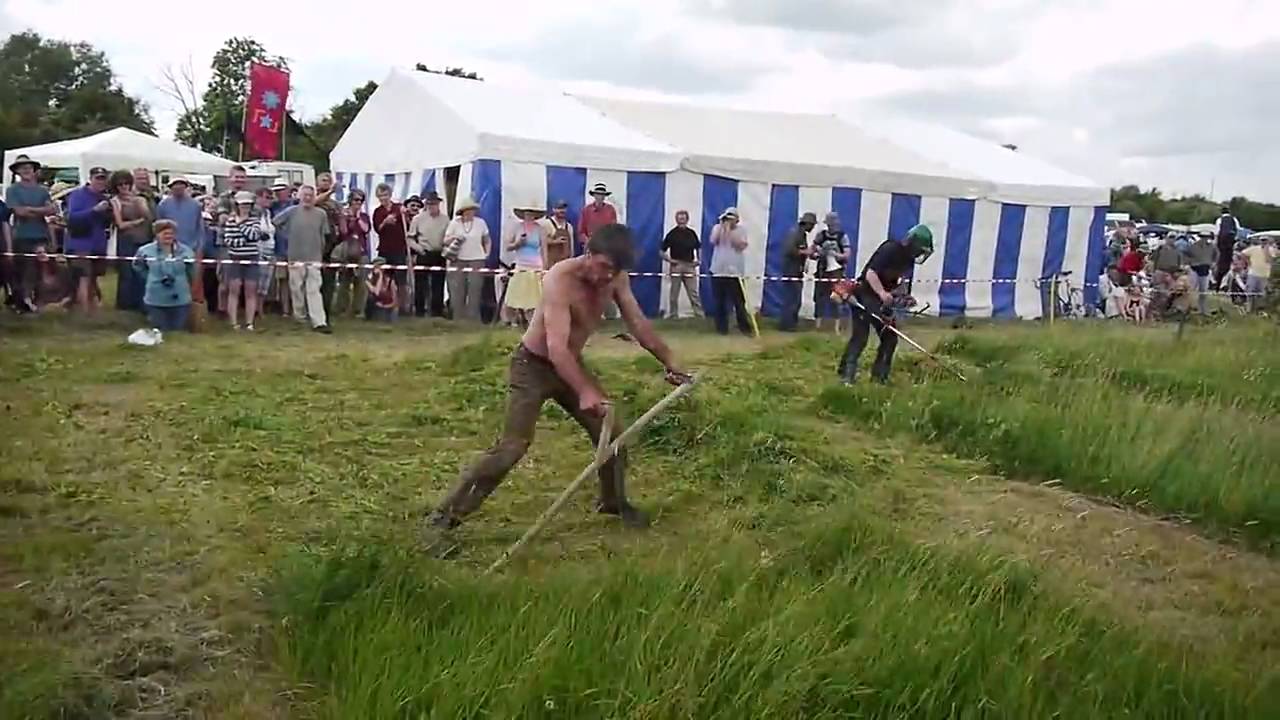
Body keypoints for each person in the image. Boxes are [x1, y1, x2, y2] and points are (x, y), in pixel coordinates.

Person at [422, 223, 692, 555]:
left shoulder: (615, 278)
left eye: (615, 270)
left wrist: (670, 361)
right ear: (589, 253)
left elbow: (638, 324)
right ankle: (444, 518)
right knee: (512, 447)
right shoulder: (559, 279)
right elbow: (556, 349)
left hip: (570, 365)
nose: (607, 276)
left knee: (612, 436)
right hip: (533, 366)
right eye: (604, 267)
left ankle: (612, 503)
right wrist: (586, 392)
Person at [837, 224, 934, 384]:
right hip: (864, 294)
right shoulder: (890, 249)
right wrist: (882, 293)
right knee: (860, 337)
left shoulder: (908, 261)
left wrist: (904, 297)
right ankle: (846, 375)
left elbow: (899, 282)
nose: (920, 254)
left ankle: (880, 377)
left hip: (881, 301)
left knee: (890, 337)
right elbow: (871, 273)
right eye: (920, 250)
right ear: (912, 243)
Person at [274, 185, 333, 333]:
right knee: (297, 289)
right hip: (295, 256)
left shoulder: (321, 214)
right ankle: (300, 317)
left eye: (310, 195)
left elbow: (324, 234)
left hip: (314, 257)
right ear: (299, 196)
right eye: (305, 195)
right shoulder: (291, 211)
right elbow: (275, 222)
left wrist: (322, 252)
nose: (307, 198)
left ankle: (319, 322)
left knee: (314, 290)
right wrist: (286, 236)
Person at [4, 154, 56, 313]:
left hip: (41, 235)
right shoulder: (13, 190)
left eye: (29, 167)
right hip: (21, 236)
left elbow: (51, 210)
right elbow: (19, 212)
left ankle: (36, 303)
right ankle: (21, 304)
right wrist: (40, 210)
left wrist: (30, 209)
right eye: (22, 168)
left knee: (40, 271)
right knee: (22, 272)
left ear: (34, 170)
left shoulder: (43, 190)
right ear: (17, 172)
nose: (26, 170)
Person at [64, 167, 113, 315]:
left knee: (93, 278)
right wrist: (94, 210)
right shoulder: (77, 195)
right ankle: (84, 313)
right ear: (90, 179)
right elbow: (72, 219)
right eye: (97, 178)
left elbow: (106, 222)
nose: (101, 182)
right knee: (83, 277)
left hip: (98, 244)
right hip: (80, 243)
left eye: (103, 178)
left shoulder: (105, 198)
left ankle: (90, 311)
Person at [132, 219, 196, 332]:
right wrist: (150, 277)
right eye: (164, 233)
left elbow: (191, 270)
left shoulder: (186, 251)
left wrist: (186, 283)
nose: (168, 236)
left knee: (177, 333)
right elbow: (138, 266)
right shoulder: (144, 251)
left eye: (171, 233)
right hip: (155, 298)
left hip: (180, 298)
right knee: (159, 331)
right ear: (156, 234)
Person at [108, 170, 151, 312]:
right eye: (120, 184)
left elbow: (148, 216)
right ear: (115, 186)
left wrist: (140, 204)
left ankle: (142, 303)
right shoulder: (115, 201)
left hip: (142, 239)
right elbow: (120, 224)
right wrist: (137, 222)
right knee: (126, 273)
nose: (124, 187)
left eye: (126, 183)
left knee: (141, 272)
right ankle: (125, 305)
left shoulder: (139, 199)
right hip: (126, 240)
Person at [579, 183, 623, 321]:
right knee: (590, 279)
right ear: (594, 196)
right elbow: (581, 231)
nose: (600, 197)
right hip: (591, 249)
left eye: (602, 195)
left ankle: (609, 312)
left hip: (606, 249)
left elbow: (613, 229)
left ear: (604, 196)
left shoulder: (610, 210)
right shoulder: (586, 210)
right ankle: (590, 312)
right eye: (598, 194)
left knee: (606, 279)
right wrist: (588, 241)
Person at [443, 196, 491, 322]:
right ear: (463, 211)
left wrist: (486, 253)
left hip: (477, 259)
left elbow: (487, 240)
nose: (471, 212)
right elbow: (445, 241)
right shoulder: (454, 223)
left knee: (475, 288)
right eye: (468, 210)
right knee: (457, 289)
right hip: (458, 259)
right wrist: (454, 237)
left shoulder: (481, 223)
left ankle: (473, 319)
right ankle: (458, 318)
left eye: (472, 210)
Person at [221, 191, 263, 330]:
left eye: (248, 204)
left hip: (252, 258)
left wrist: (240, 225)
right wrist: (245, 240)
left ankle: (250, 323)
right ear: (237, 205)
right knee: (234, 291)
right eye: (242, 204)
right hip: (235, 259)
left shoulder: (255, 220)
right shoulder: (230, 221)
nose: (245, 207)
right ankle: (233, 323)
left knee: (251, 291)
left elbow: (255, 236)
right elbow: (228, 241)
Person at [708, 207, 752, 336]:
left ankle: (744, 327)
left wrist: (729, 233)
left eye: (731, 218)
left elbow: (741, 245)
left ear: (737, 220)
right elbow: (713, 241)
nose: (729, 221)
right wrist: (722, 228)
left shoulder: (741, 230)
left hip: (735, 272)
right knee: (719, 301)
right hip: (718, 270)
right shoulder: (717, 228)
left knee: (739, 301)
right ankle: (721, 328)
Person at [503, 203, 549, 328]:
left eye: (531, 213)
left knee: (534, 297)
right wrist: (518, 243)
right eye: (527, 213)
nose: (529, 215)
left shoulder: (540, 229)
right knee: (514, 295)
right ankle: (512, 320)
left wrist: (545, 268)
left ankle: (533, 322)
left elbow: (544, 250)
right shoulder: (517, 228)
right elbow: (508, 247)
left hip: (535, 266)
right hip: (520, 265)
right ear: (523, 214)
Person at [408, 190, 449, 317]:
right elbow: (410, 238)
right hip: (424, 253)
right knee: (421, 284)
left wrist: (446, 250)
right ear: (426, 204)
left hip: (439, 254)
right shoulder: (418, 219)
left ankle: (437, 312)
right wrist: (419, 249)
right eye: (430, 204)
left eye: (434, 204)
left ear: (438, 204)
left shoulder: (445, 219)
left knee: (438, 284)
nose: (432, 206)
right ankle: (419, 311)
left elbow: (449, 236)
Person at [371, 183, 410, 313]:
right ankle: (384, 305)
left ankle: (403, 308)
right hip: (384, 249)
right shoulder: (378, 212)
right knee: (383, 279)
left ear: (390, 195)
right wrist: (385, 222)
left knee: (401, 280)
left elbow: (408, 225)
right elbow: (378, 229)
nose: (383, 198)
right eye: (380, 196)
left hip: (399, 248)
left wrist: (405, 214)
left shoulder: (398, 208)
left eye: (385, 195)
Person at [778, 212, 817, 331]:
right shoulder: (795, 233)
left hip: (796, 270)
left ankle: (790, 324)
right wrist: (806, 252)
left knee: (794, 299)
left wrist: (810, 255)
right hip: (791, 270)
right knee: (792, 299)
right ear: (807, 224)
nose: (813, 227)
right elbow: (789, 250)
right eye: (812, 225)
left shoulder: (801, 234)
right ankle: (787, 325)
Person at [334, 189, 371, 318]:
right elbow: (343, 232)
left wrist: (358, 217)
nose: (358, 203)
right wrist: (344, 218)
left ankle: (358, 309)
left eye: (361, 201)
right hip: (346, 251)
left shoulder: (364, 216)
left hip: (361, 251)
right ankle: (342, 309)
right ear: (350, 200)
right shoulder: (343, 214)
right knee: (344, 281)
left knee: (361, 282)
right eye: (356, 200)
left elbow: (366, 229)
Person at [812, 212, 850, 333]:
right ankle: (818, 326)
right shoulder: (821, 235)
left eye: (833, 224)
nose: (832, 226)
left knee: (836, 298)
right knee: (819, 298)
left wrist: (836, 255)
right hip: (822, 271)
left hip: (837, 272)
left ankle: (836, 328)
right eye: (830, 224)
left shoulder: (842, 237)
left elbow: (847, 255)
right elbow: (812, 250)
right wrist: (818, 253)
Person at [661, 209, 702, 319]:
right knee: (674, 292)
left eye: (683, 218)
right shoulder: (672, 234)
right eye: (679, 219)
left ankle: (699, 314)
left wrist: (699, 260)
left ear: (687, 220)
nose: (681, 221)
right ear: (676, 220)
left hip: (689, 265)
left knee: (693, 292)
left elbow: (698, 247)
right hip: (676, 265)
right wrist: (670, 260)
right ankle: (673, 314)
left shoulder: (691, 233)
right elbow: (661, 251)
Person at [315, 172, 343, 317]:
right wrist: (331, 190)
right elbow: (314, 202)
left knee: (329, 280)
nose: (326, 183)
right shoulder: (312, 198)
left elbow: (341, 223)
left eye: (328, 181)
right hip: (315, 244)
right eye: (323, 180)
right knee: (314, 280)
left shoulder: (335, 204)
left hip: (330, 244)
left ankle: (326, 308)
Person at [1185, 230, 1218, 314]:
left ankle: (1202, 309)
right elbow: (1186, 255)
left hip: (1205, 269)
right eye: (1203, 237)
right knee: (1191, 290)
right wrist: (1190, 262)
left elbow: (1217, 255)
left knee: (1203, 291)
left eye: (1207, 237)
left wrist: (1213, 263)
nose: (1205, 239)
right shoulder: (1193, 246)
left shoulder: (1212, 247)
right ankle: (1187, 308)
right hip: (1194, 269)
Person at [1241, 237, 1277, 313]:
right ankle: (1249, 309)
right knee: (1250, 291)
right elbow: (1243, 253)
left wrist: (1266, 251)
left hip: (1264, 275)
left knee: (1260, 293)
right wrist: (1248, 262)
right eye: (1262, 240)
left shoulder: (1271, 250)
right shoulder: (1254, 248)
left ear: (1268, 241)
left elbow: (1269, 260)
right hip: (1253, 273)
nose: (1263, 242)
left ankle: (1257, 309)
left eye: (1265, 241)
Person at [543, 199, 574, 268]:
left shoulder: (569, 226)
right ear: (553, 209)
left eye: (563, 208)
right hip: (551, 263)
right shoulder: (547, 224)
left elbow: (571, 247)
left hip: (565, 263)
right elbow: (541, 242)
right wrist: (555, 241)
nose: (562, 211)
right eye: (559, 208)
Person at [365, 257, 397, 321]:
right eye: (378, 267)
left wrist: (386, 306)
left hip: (388, 306)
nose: (380, 269)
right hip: (376, 306)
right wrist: (380, 277)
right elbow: (377, 292)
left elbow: (395, 299)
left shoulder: (389, 280)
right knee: (370, 298)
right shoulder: (368, 280)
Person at [1214, 207, 1240, 285]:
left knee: (1221, 259)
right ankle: (1227, 276)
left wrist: (1216, 242)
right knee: (1229, 258)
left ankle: (1218, 279)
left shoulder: (1219, 220)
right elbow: (1238, 229)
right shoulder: (1234, 219)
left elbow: (1217, 232)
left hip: (1222, 241)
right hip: (1231, 241)